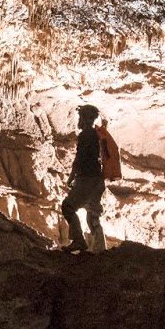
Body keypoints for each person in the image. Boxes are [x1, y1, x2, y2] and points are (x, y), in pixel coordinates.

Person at [61, 104, 107, 253]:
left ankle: (79, 241)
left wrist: (71, 178)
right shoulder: (97, 134)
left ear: (84, 118)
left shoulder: (86, 134)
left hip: (87, 179)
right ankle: (100, 249)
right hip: (98, 179)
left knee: (68, 207)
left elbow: (79, 159)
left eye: (80, 117)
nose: (79, 121)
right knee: (92, 213)